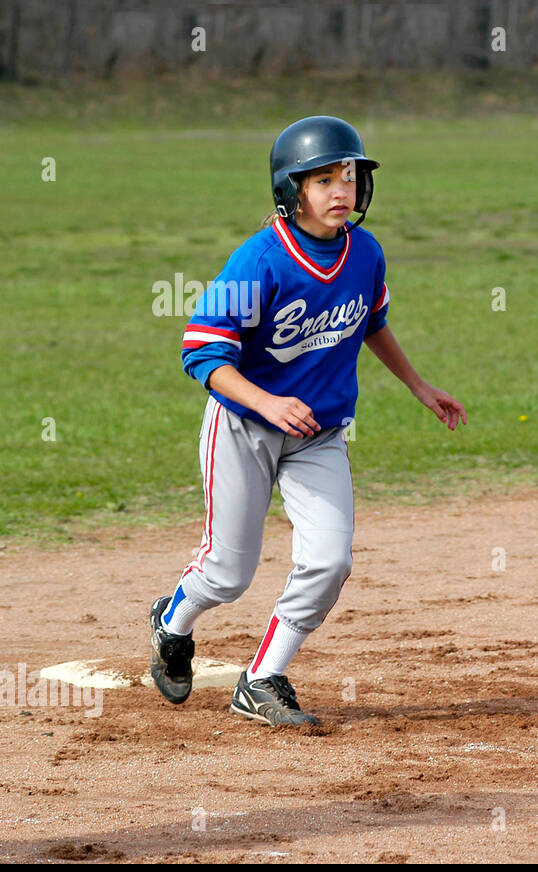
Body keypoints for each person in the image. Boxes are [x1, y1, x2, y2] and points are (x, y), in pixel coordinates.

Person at [149, 115, 466, 726]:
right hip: (243, 428)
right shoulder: (260, 260)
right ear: (292, 192)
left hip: (318, 435)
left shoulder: (364, 253)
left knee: (329, 559)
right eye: (323, 179)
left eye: (347, 175)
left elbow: (370, 323)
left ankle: (263, 677)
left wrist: (418, 386)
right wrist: (264, 402)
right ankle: (172, 621)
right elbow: (201, 352)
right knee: (227, 572)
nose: (340, 190)